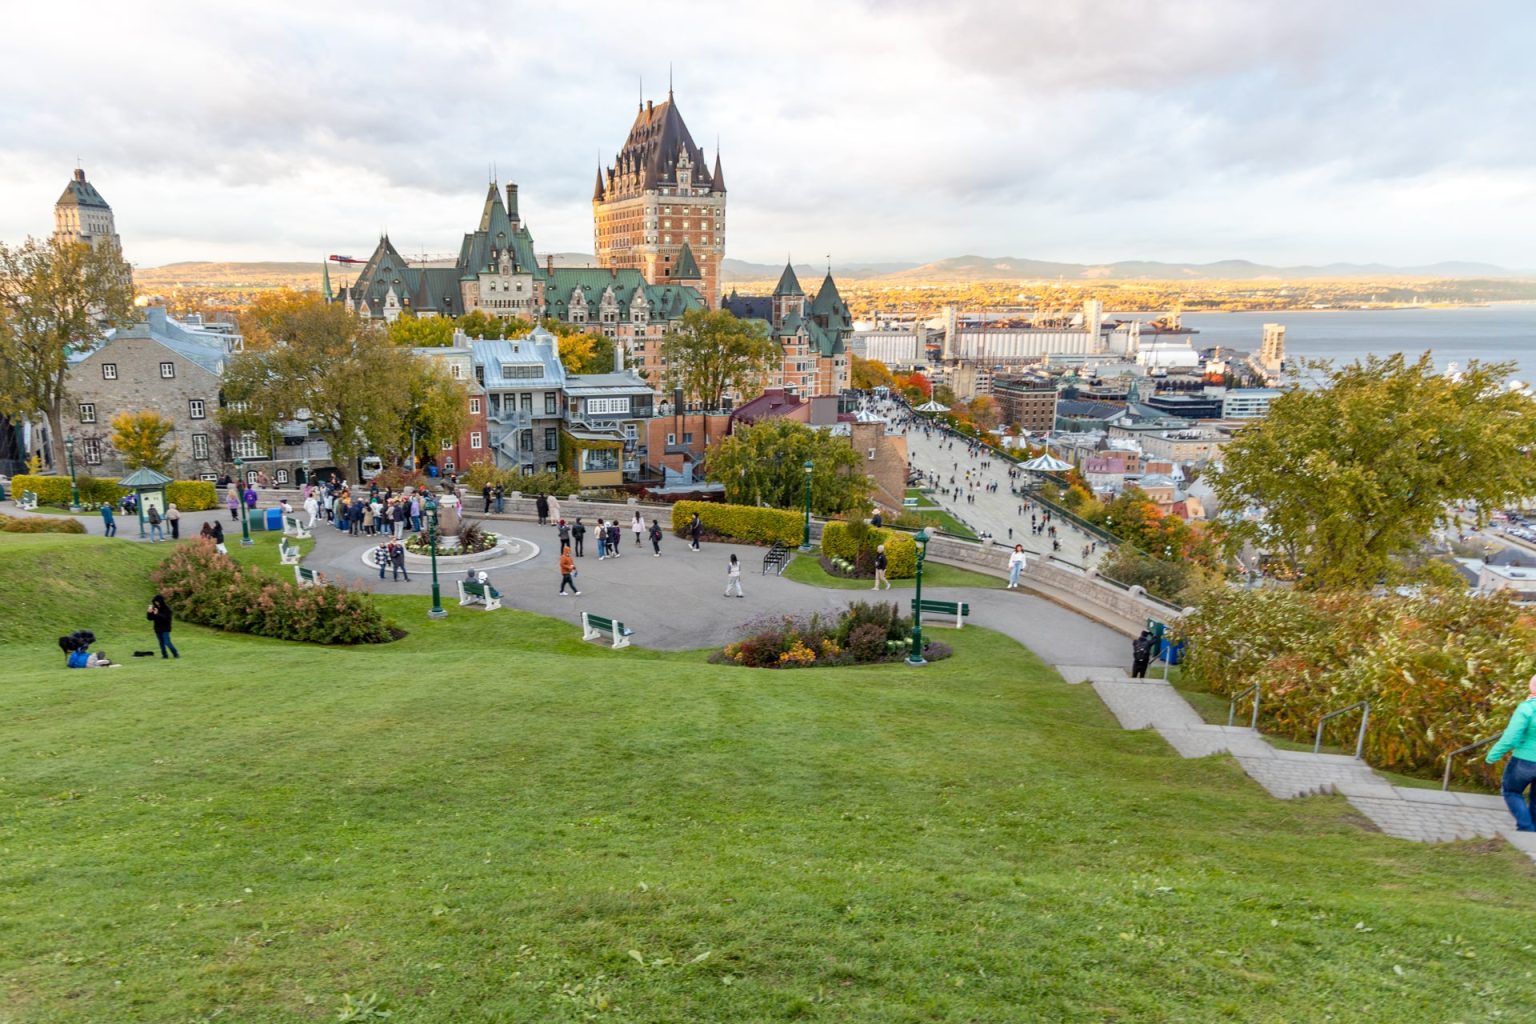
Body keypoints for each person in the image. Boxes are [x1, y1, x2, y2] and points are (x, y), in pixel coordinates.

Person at [1485, 674, 1536, 832]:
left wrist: (1492, 756)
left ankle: (1527, 829)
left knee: (1511, 791)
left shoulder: (1527, 708)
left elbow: (1510, 738)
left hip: (1524, 761)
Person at [146, 594, 179, 659]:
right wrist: (149, 612)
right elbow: (150, 618)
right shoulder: (155, 608)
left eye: (157, 601)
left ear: (161, 601)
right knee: (161, 643)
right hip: (157, 628)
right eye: (155, 602)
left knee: (167, 642)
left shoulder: (167, 609)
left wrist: (157, 614)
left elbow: (166, 618)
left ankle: (175, 653)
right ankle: (164, 655)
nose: (156, 603)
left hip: (165, 628)